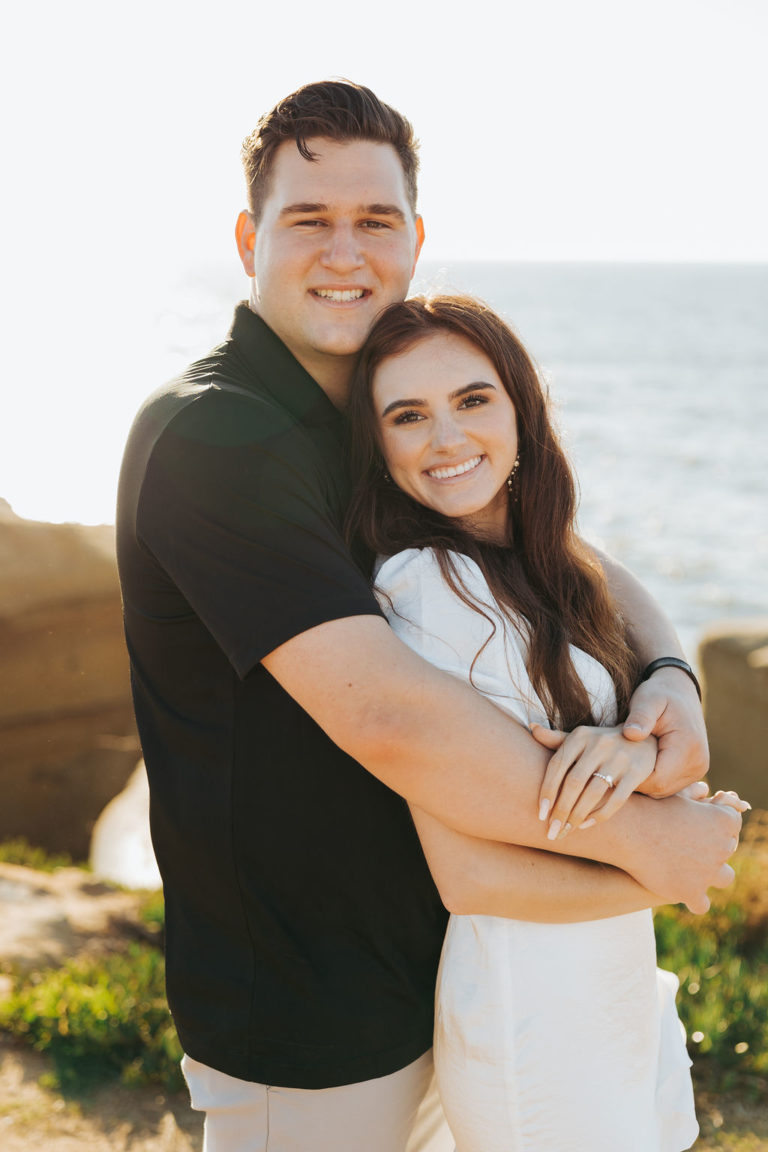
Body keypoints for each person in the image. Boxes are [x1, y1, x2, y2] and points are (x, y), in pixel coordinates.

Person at [116, 80, 742, 1152]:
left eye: (376, 220)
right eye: (308, 219)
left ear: (416, 238)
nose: (345, 251)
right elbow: (388, 715)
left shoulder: (372, 418)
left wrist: (669, 675)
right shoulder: (219, 438)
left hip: (441, 970)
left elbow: (564, 555)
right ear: (246, 237)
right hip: (311, 1012)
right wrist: (653, 846)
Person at [345, 292, 748, 1150]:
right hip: (534, 1016)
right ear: (377, 446)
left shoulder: (541, 558)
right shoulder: (426, 587)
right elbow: (469, 879)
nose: (448, 438)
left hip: (617, 987)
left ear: (522, 407)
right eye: (409, 415)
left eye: (473, 399)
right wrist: (670, 867)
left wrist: (642, 728)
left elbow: (660, 749)